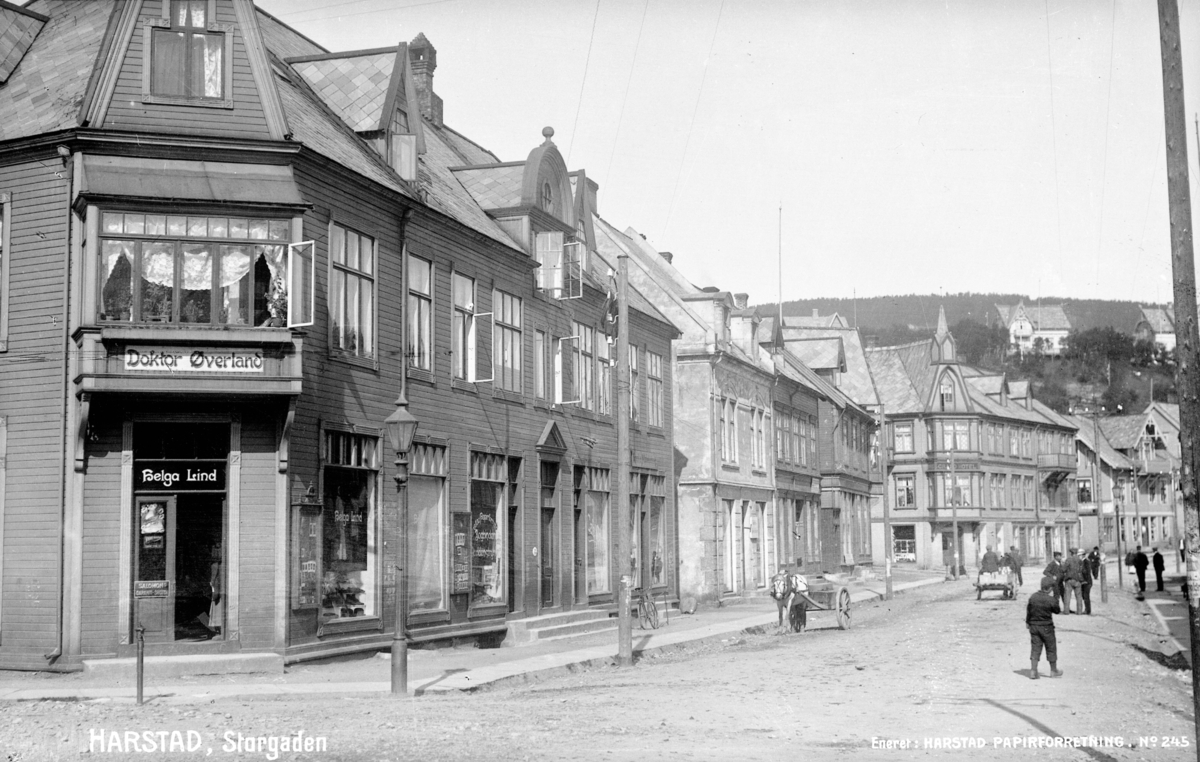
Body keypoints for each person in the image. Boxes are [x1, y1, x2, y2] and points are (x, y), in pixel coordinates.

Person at [1027, 576, 1063, 679]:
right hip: (1047, 627)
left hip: (1034, 626)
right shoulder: (1050, 599)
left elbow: (1028, 610)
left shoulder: (1033, 597)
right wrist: (1056, 598)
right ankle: (1053, 670)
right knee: (1051, 647)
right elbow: (1057, 610)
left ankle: (1033, 671)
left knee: (1035, 648)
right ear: (1050, 588)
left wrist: (1028, 622)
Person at [1061, 548, 1085, 614]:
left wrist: (1062, 564)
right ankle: (1079, 612)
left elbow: (1063, 569)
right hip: (1078, 581)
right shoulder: (1080, 560)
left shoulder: (1068, 559)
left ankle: (1066, 611)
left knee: (1067, 596)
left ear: (1071, 553)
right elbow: (1082, 570)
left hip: (1069, 580)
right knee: (1079, 596)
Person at [1079, 549, 1094, 615]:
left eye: (1080, 555)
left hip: (1087, 582)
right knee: (1083, 596)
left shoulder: (1086, 562)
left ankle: (1088, 610)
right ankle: (1086, 609)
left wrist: (1085, 581)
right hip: (1083, 582)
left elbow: (1087, 572)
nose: (1079, 556)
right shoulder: (1080, 562)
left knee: (1086, 596)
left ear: (1083, 555)